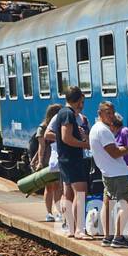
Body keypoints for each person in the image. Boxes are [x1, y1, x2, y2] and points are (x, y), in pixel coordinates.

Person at [90, 101, 128, 248]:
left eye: (112, 112)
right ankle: (118, 238)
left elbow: (111, 151)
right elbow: (114, 153)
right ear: (100, 113)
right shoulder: (103, 131)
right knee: (126, 202)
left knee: (107, 203)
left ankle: (108, 236)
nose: (111, 115)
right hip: (116, 173)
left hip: (108, 172)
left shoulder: (96, 128)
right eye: (107, 112)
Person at [46, 87, 91, 237]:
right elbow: (67, 138)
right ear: (78, 101)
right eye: (82, 102)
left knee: (69, 195)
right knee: (81, 193)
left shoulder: (62, 113)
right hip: (72, 159)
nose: (82, 105)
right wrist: (86, 144)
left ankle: (71, 228)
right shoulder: (68, 114)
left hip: (65, 159)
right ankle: (79, 229)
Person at [33, 103, 64, 223]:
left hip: (56, 159)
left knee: (57, 187)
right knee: (50, 187)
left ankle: (57, 212)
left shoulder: (58, 125)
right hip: (48, 160)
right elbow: (41, 146)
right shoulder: (43, 127)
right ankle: (50, 212)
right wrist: (40, 162)